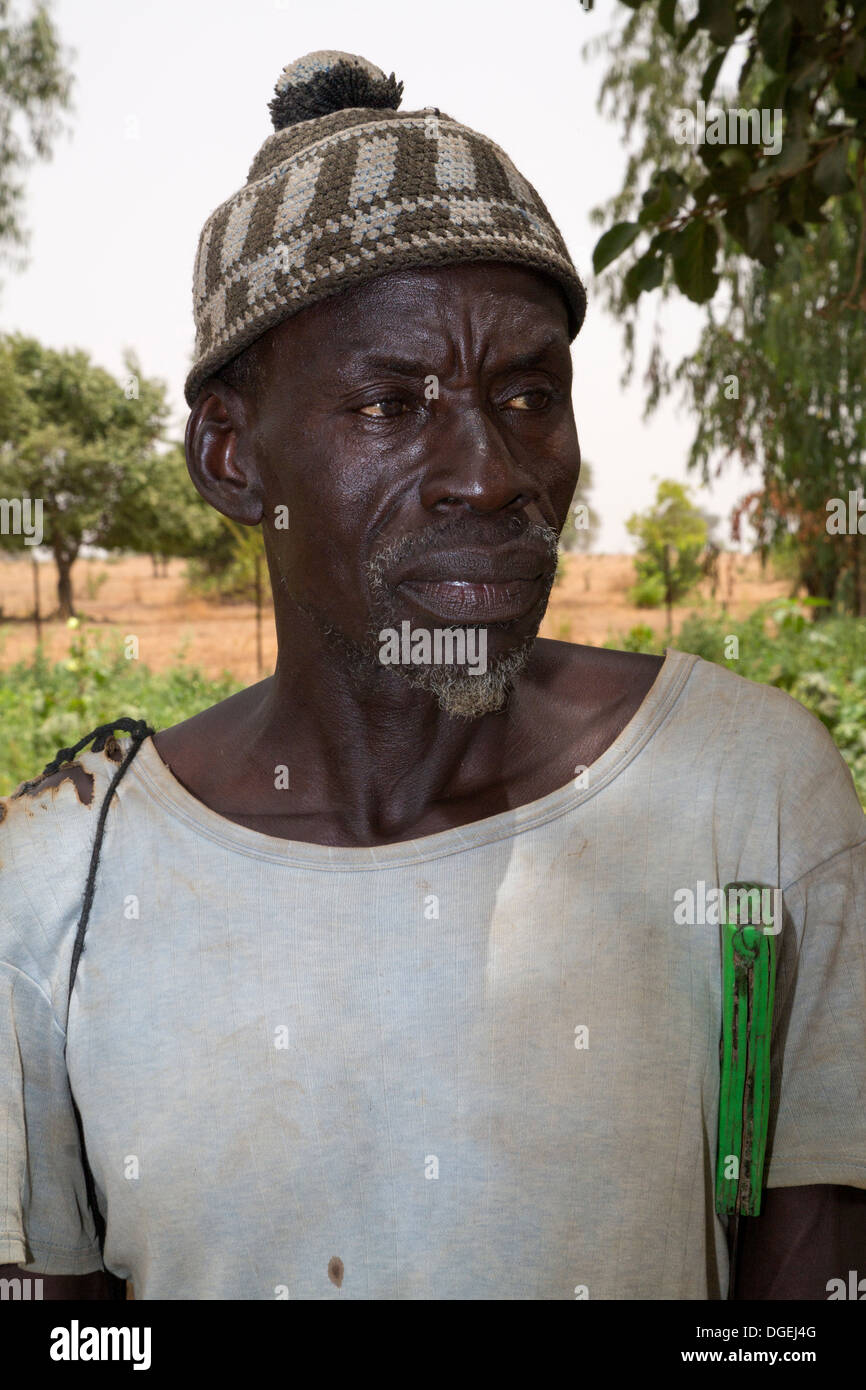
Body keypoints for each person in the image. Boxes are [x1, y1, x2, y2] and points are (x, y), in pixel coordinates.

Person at [1, 51, 864, 1302]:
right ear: (233, 458)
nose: (489, 472)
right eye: (392, 405)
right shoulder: (63, 879)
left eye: (527, 394)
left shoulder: (747, 797)